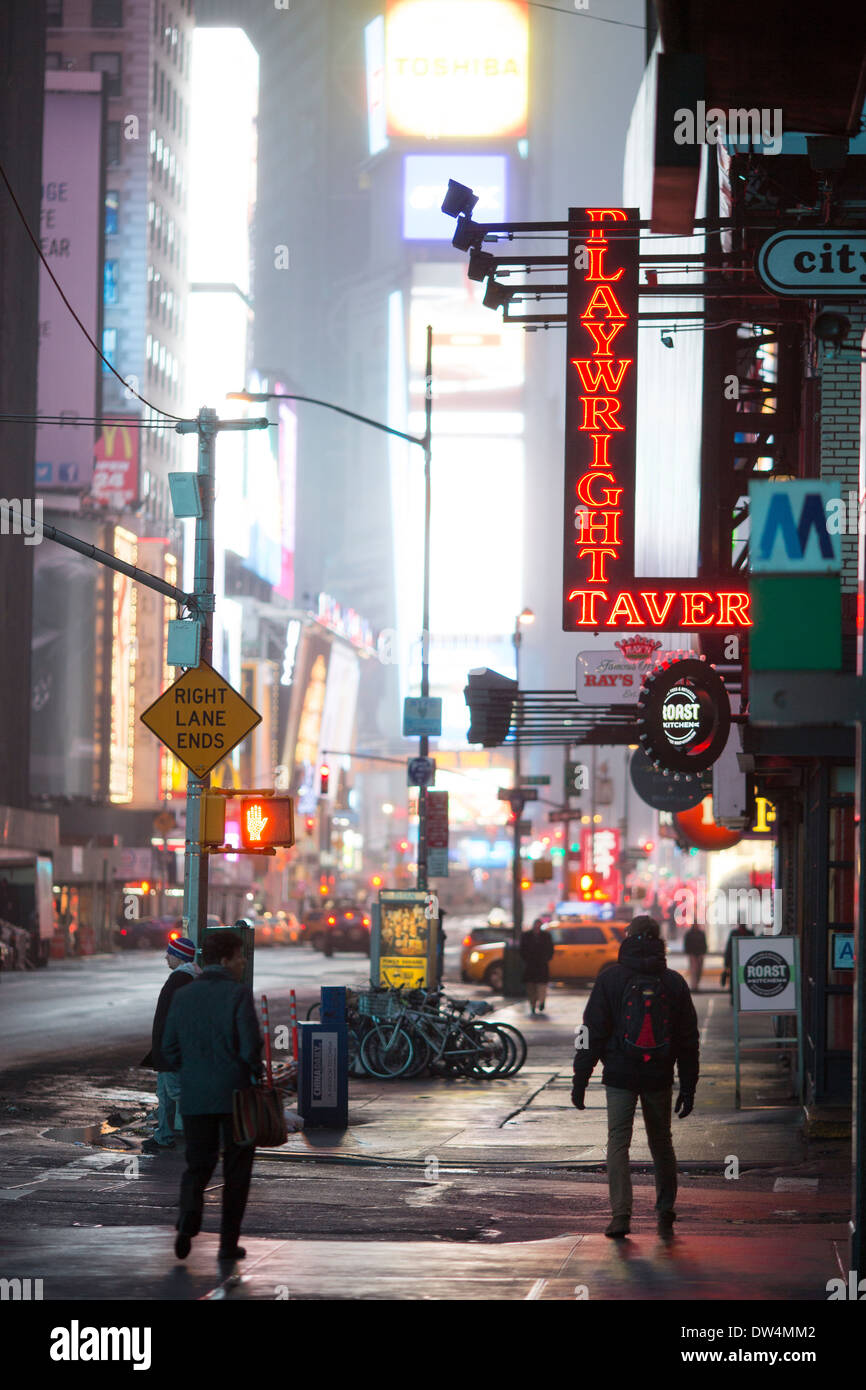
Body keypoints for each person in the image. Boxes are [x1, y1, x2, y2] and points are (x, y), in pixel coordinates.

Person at [571, 915, 699, 1239]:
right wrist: (688, 1085)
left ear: (627, 938)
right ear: (660, 941)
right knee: (662, 1143)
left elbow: (591, 1032)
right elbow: (688, 1039)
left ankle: (620, 1215)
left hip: (620, 1074)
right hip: (658, 1074)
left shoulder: (610, 979)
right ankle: (665, 1208)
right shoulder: (674, 982)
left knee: (618, 1143)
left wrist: (581, 1077)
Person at [162, 929, 263, 1262]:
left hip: (195, 1097)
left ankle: (187, 1223)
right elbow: (250, 1047)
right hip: (234, 1097)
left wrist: (193, 1070)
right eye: (240, 956)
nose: (243, 961)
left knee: (197, 1164)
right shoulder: (237, 994)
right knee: (236, 1171)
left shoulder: (184, 995)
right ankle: (227, 1244)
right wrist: (253, 1073)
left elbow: (169, 1048)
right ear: (226, 959)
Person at [141, 935, 198, 1154]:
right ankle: (163, 1136)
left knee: (176, 1093)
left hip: (171, 1050)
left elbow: (173, 1019)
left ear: (179, 956)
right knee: (165, 1095)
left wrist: (168, 1049)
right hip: (167, 1049)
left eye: (170, 953)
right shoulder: (184, 978)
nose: (166, 957)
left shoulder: (180, 979)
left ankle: (204, 1133)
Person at [519, 919, 554, 1015]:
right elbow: (522, 950)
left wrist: (546, 959)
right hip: (531, 965)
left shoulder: (546, 936)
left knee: (541, 986)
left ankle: (541, 1002)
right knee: (531, 987)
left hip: (541, 965)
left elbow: (550, 950)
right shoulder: (526, 936)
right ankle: (533, 1004)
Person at [721, 921, 755, 1005]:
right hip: (737, 961)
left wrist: (726, 963)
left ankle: (738, 999)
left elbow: (729, 948)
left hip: (744, 962)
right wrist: (726, 963)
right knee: (735, 980)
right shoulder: (747, 933)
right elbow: (729, 948)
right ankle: (735, 998)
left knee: (741, 980)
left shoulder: (737, 933)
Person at [682, 921, 708, 993]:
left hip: (699, 954)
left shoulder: (701, 933)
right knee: (694, 971)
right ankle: (694, 986)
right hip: (693, 954)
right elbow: (686, 944)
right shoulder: (690, 934)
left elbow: (704, 944)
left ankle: (696, 984)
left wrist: (703, 952)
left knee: (699, 970)